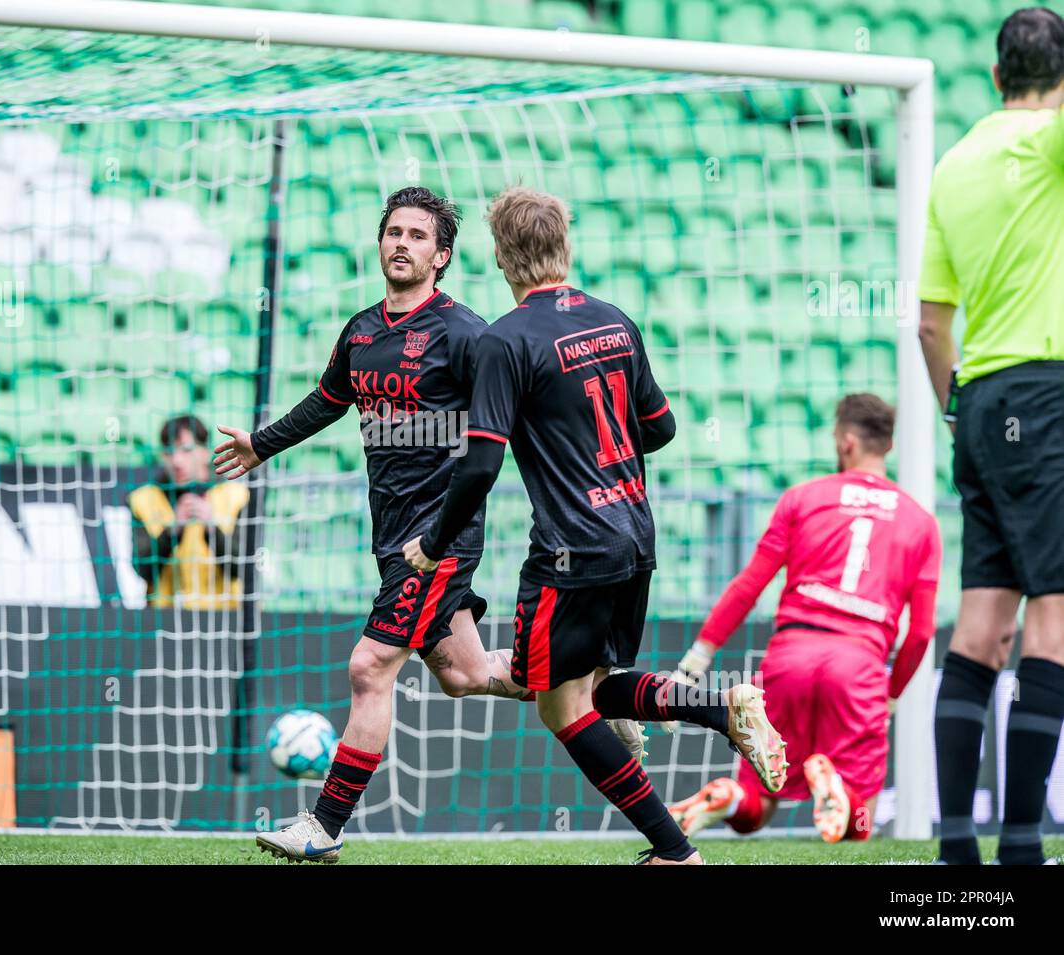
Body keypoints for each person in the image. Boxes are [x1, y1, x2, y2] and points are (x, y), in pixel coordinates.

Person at [403, 186, 787, 864]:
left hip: (570, 550)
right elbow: (659, 427)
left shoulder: (506, 340)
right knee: (583, 687)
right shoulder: (614, 320)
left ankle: (677, 844)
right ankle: (720, 713)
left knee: (561, 707)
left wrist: (434, 544)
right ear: (565, 246)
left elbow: (480, 465)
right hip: (636, 536)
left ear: (498, 256)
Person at [214, 186, 532, 864]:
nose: (401, 243)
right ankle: (593, 688)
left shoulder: (466, 333)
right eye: (394, 231)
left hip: (438, 539)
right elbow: (329, 400)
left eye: (418, 235)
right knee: (467, 673)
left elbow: (507, 419)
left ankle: (323, 826)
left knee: (369, 666)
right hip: (392, 540)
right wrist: (261, 444)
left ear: (441, 255)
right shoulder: (361, 330)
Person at [918, 7, 1064, 865]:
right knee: (1051, 628)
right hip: (1044, 398)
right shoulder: (1046, 147)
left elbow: (932, 326)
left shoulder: (952, 163)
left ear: (997, 78)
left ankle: (955, 845)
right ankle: (1020, 845)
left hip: (976, 400)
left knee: (979, 627)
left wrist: (955, 411)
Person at [664, 394, 941, 844]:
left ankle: (730, 798)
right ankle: (842, 799)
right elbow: (923, 631)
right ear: (887, 445)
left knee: (760, 795)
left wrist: (696, 661)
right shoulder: (920, 521)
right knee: (860, 824)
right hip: (859, 664)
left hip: (790, 657)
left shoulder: (803, 498)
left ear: (847, 441)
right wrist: (890, 696)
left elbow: (747, 587)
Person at [129, 413, 247, 610]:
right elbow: (142, 570)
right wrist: (171, 532)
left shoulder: (237, 496)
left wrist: (212, 529)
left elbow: (244, 568)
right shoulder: (143, 499)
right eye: (168, 452)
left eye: (185, 450)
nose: (175, 460)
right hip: (163, 620)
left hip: (226, 621)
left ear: (205, 452)